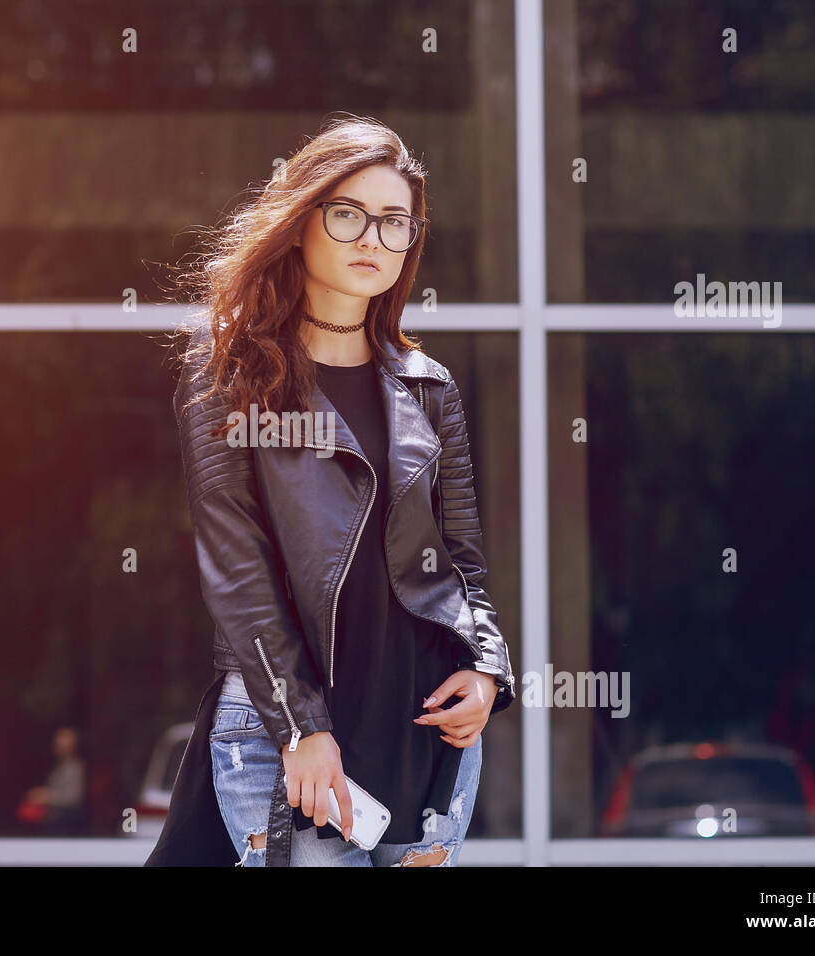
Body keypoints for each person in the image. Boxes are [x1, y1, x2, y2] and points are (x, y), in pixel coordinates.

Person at [146, 115, 516, 867]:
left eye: (395, 223)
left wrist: (486, 668)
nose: (372, 239)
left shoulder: (429, 387)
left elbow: (463, 565)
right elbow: (238, 571)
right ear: (301, 220)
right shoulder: (229, 373)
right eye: (349, 214)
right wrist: (300, 727)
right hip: (287, 733)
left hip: (426, 734)